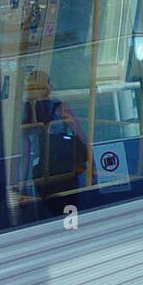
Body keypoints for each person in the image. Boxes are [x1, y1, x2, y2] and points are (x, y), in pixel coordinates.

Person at [22, 69, 89, 216]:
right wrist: (92, 166)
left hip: (41, 174)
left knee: (52, 214)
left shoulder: (26, 114)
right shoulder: (61, 108)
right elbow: (82, 137)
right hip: (66, 170)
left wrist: (22, 183)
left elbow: (26, 154)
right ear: (49, 87)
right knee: (70, 212)